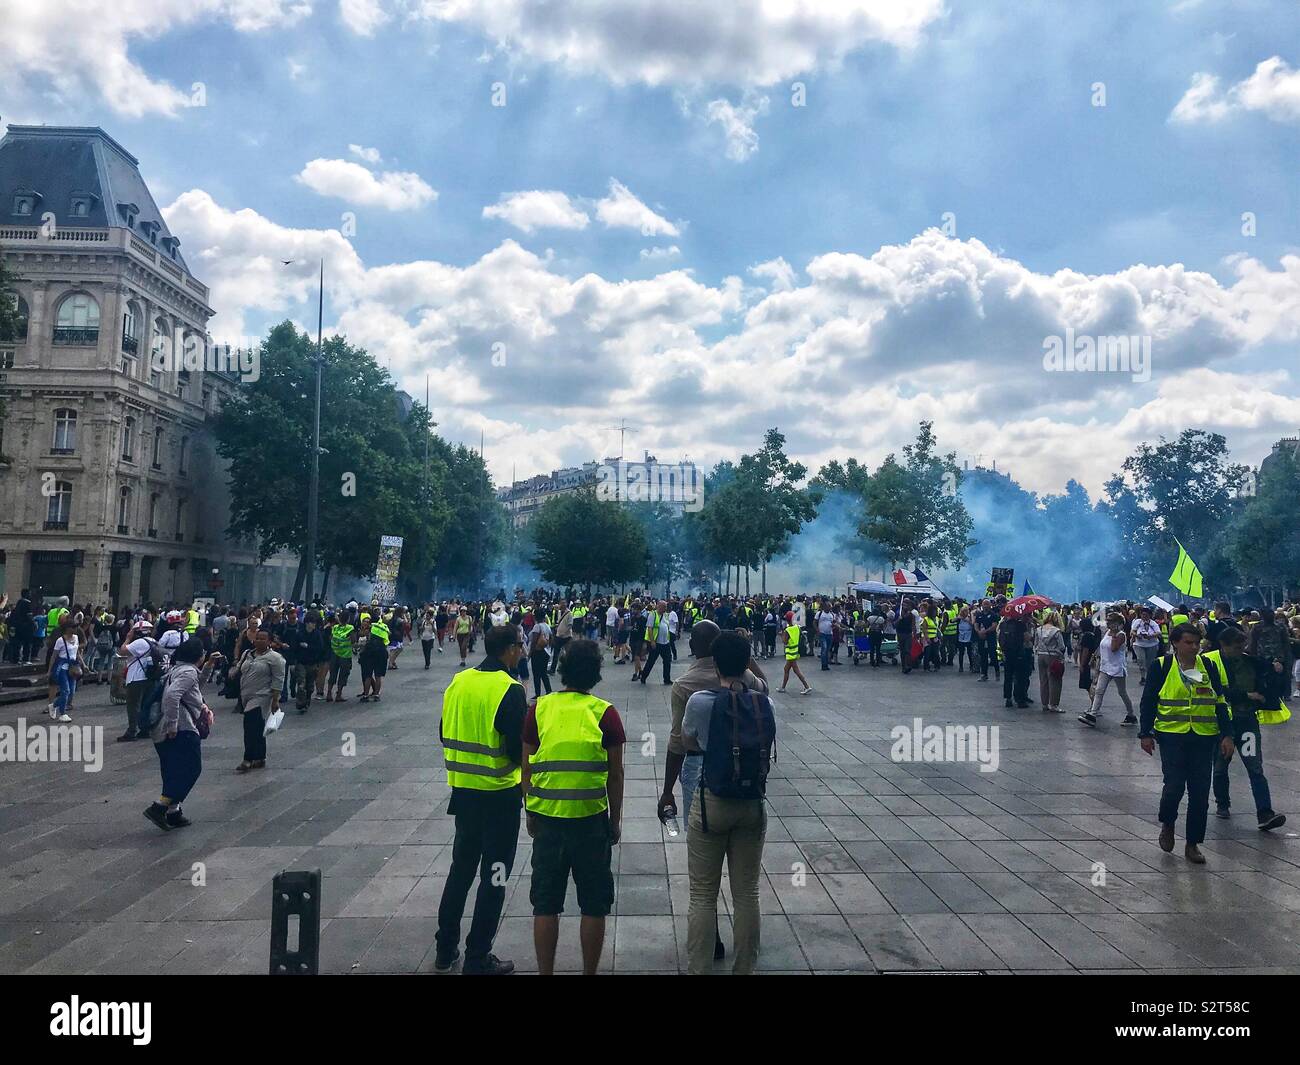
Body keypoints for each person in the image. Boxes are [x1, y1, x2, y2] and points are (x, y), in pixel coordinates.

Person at [523, 639, 625, 975]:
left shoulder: (537, 709)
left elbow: (526, 768)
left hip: (548, 822)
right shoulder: (605, 713)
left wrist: (530, 812)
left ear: (563, 670)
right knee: (594, 904)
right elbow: (616, 774)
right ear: (596, 673)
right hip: (591, 822)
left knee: (545, 904)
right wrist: (615, 820)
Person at [434, 624, 527, 975]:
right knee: (496, 876)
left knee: (461, 870)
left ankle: (446, 949)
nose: (522, 651)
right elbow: (516, 750)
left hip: (464, 795)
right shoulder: (509, 689)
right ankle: (477, 956)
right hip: (500, 798)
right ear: (509, 649)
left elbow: (444, 731)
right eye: (520, 645)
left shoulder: (460, 681)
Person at [681, 631, 776, 975]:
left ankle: (700, 969)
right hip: (752, 803)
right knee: (747, 892)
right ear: (747, 661)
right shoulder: (763, 702)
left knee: (703, 895)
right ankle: (745, 969)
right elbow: (763, 689)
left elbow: (689, 738)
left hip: (711, 802)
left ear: (713, 662)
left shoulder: (701, 701)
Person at [1138, 623, 1234, 864]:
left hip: (1203, 736)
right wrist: (1145, 733)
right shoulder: (1162, 666)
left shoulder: (1209, 666)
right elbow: (1148, 700)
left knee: (1200, 793)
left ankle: (1193, 844)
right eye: (1188, 642)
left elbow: (1220, 701)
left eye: (1197, 643)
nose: (1194, 647)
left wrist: (1227, 735)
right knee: (1173, 787)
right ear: (1175, 643)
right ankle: (1168, 823)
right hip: (1172, 736)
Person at [1209, 627, 1288, 831]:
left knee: (1255, 767)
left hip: (1246, 722)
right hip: (1222, 724)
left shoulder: (1251, 662)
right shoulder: (1209, 662)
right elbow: (1213, 691)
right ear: (1224, 645)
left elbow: (1268, 679)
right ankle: (1222, 803)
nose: (1241, 650)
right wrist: (1246, 695)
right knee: (1220, 767)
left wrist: (1275, 670)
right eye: (1237, 647)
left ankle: (1265, 812)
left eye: (1243, 646)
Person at [143, 637, 211, 831]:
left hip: (162, 728)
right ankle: (160, 806)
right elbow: (172, 695)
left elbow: (195, 688)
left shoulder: (177, 670)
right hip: (182, 728)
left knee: (172, 770)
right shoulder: (188, 672)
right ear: (198, 655)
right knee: (191, 769)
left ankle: (174, 812)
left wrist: (208, 667)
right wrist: (173, 725)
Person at [230, 628, 284, 773]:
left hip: (262, 696)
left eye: (263, 639)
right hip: (246, 694)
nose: (259, 641)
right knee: (258, 727)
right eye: (257, 638)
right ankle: (260, 756)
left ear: (269, 642)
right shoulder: (247, 654)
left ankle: (247, 758)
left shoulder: (275, 658)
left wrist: (275, 700)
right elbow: (239, 667)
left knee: (250, 726)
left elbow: (278, 680)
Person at [1080, 613, 1135, 727]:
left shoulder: (1121, 635)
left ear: (1118, 623)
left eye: (1110, 621)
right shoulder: (1106, 632)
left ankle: (1131, 715)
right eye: (1108, 620)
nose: (1108, 622)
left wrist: (1115, 633)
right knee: (1099, 690)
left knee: (1122, 692)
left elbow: (1114, 648)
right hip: (1105, 666)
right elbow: (1102, 647)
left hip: (1117, 667)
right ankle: (1093, 714)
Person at [119, 619, 160, 741]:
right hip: (150, 677)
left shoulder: (139, 643)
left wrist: (127, 638)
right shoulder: (155, 642)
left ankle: (132, 731)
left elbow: (122, 651)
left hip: (136, 677)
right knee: (145, 705)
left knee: (133, 706)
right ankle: (145, 729)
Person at [48, 617, 83, 723]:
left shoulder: (76, 638)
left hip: (73, 667)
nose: (76, 629)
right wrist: (50, 670)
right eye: (73, 627)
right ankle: (62, 714)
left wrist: (83, 663)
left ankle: (53, 705)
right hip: (62, 667)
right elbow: (54, 656)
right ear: (67, 628)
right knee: (65, 690)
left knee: (71, 691)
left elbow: (77, 652)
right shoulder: (60, 640)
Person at [292, 610, 328, 713]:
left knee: (310, 686)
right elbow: (295, 647)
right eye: (312, 623)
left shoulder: (317, 634)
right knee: (301, 683)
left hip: (312, 663)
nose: (314, 625)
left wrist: (308, 647)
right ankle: (300, 702)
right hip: (301, 662)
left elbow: (320, 648)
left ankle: (307, 700)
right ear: (307, 623)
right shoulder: (300, 634)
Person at [1033, 611, 1066, 713]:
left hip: (1041, 656)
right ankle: (1054, 704)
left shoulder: (1039, 629)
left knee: (1043, 680)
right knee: (1055, 681)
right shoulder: (1056, 631)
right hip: (1053, 656)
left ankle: (1044, 704)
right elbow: (1061, 646)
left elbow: (1036, 644)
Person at [639, 600, 674, 685]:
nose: (665, 608)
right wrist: (652, 641)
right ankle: (643, 677)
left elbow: (667, 626)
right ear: (658, 606)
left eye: (666, 607)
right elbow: (650, 628)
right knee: (651, 661)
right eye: (664, 607)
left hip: (665, 643)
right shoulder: (653, 614)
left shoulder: (666, 615)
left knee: (667, 661)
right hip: (656, 643)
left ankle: (667, 679)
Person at [778, 612, 812, 694]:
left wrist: (781, 635)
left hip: (790, 653)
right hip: (795, 651)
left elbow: (785, 642)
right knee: (786, 669)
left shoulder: (787, 630)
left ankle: (807, 686)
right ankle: (783, 687)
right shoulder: (797, 627)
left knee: (796, 670)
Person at [326, 612, 355, 702]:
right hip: (345, 655)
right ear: (348, 619)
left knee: (332, 674)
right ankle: (339, 694)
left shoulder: (334, 628)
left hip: (334, 653)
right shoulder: (350, 628)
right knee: (343, 675)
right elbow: (353, 640)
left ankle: (329, 693)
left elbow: (331, 638)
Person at [1130, 606, 1162, 684]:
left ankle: (1149, 677)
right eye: (1143, 614)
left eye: (1146, 615)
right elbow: (1132, 631)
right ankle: (1143, 677)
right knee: (1141, 660)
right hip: (1139, 644)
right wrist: (1137, 635)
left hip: (1151, 645)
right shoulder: (1137, 622)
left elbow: (1158, 633)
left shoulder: (1153, 623)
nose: (1144, 616)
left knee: (1149, 663)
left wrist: (1150, 636)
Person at [816, 604, 835, 671]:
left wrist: (833, 626)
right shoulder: (820, 613)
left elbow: (833, 623)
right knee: (824, 648)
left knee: (827, 650)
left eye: (830, 607)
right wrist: (817, 630)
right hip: (822, 633)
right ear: (825, 607)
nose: (829, 608)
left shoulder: (831, 615)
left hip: (829, 634)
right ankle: (823, 665)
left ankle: (826, 664)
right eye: (828, 607)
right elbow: (814, 622)